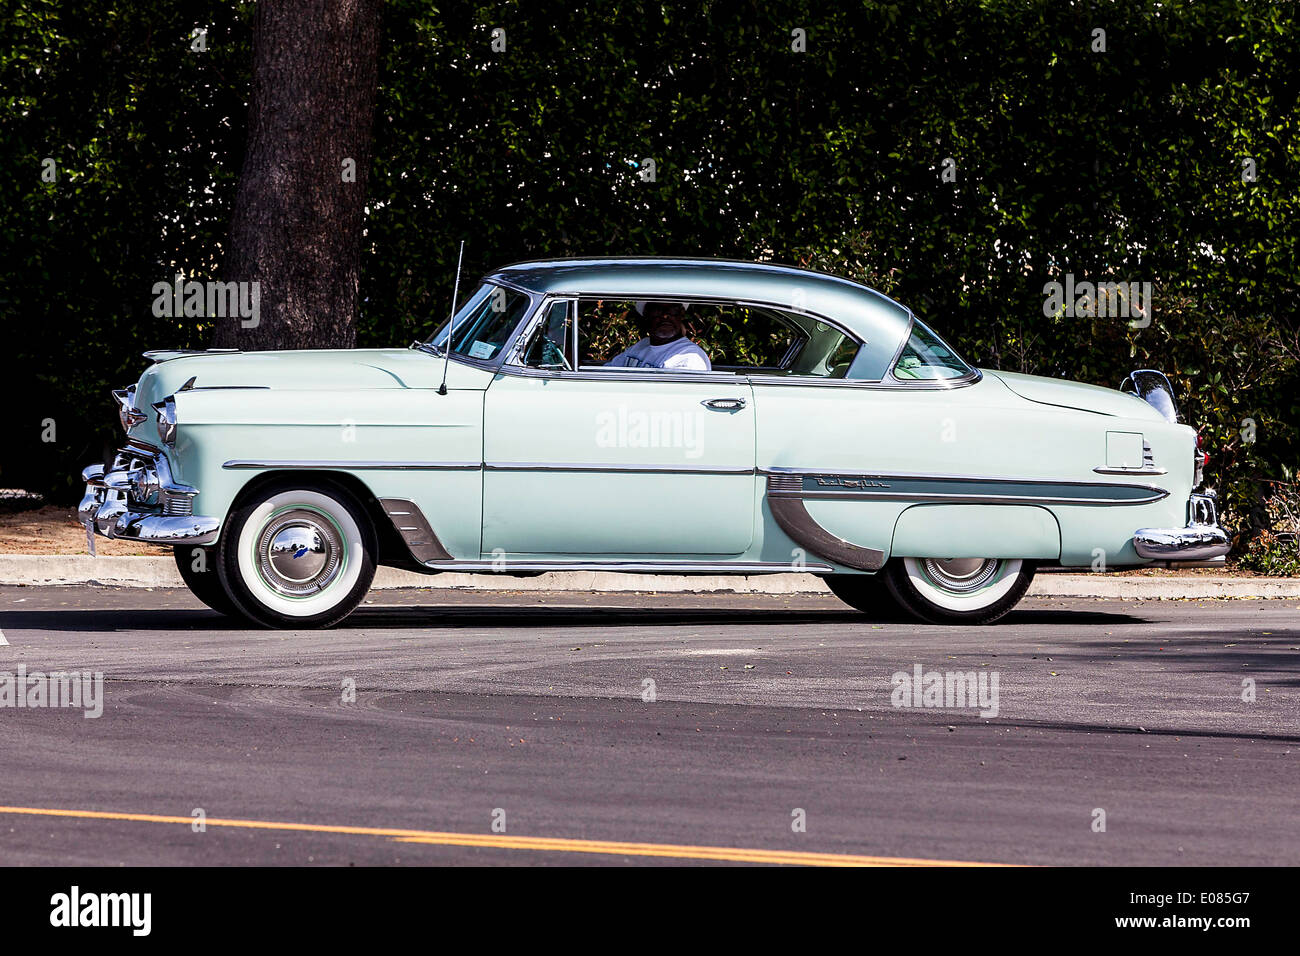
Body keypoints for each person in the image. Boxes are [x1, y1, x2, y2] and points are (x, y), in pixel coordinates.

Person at [606, 301, 711, 371]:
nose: (665, 316)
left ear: (682, 314)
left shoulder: (690, 358)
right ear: (646, 315)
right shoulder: (642, 346)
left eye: (672, 310)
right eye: (657, 310)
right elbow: (607, 373)